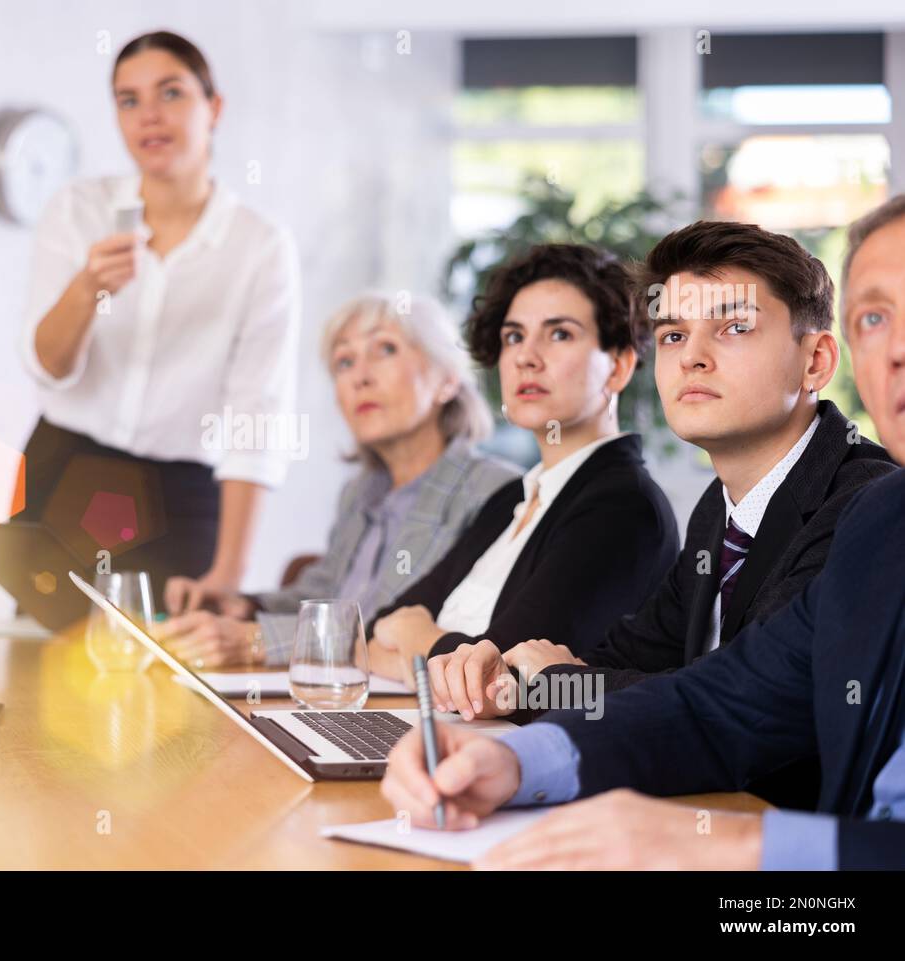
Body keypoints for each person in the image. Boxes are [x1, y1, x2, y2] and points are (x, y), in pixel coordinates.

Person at [380, 196, 905, 870]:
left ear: (816, 361)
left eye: (735, 328)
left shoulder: (851, 501)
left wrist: (743, 849)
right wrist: (511, 749)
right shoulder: (845, 522)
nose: (693, 358)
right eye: (676, 334)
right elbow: (712, 700)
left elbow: (761, 726)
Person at [19, 31, 299, 596]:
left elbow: (257, 414)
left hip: (177, 495)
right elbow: (47, 365)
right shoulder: (80, 209)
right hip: (62, 465)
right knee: (37, 667)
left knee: (165, 666)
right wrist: (87, 290)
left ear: (212, 108)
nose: (149, 116)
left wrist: (229, 575)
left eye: (171, 93)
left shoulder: (260, 246)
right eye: (129, 100)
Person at [363, 244, 679, 685]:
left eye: (560, 334)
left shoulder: (624, 507)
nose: (526, 356)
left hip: (505, 747)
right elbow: (379, 628)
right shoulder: (511, 498)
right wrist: (427, 656)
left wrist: (416, 640)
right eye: (514, 336)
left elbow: (502, 679)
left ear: (618, 367)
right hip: (425, 724)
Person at [155, 293, 520, 668]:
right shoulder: (360, 491)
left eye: (385, 350)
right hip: (334, 692)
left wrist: (258, 640)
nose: (360, 377)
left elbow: (395, 626)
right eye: (344, 362)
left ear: (446, 381)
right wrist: (244, 605)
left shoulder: (493, 491)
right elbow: (326, 592)